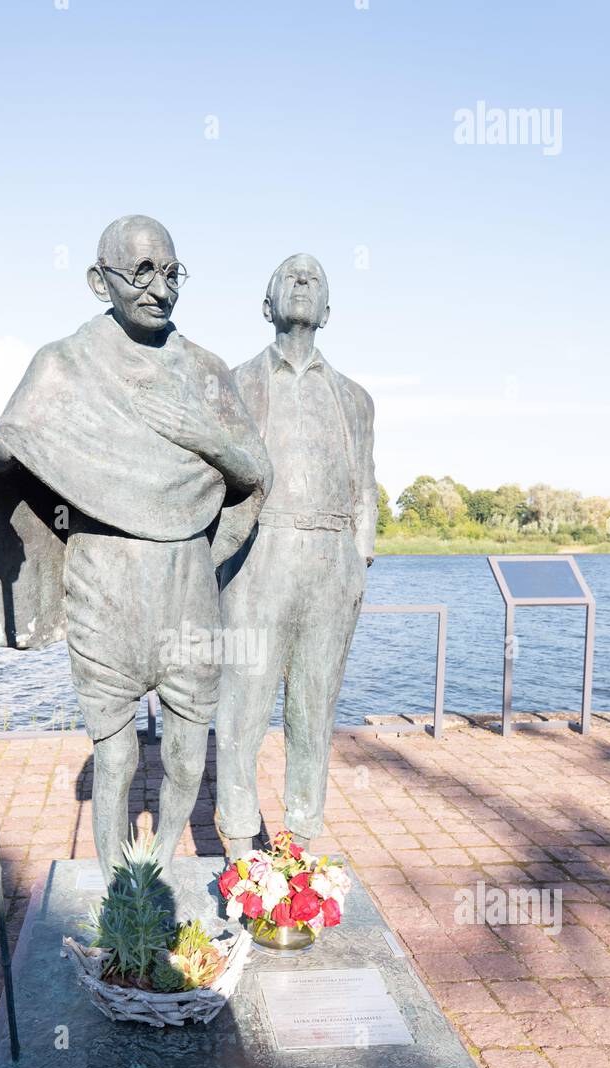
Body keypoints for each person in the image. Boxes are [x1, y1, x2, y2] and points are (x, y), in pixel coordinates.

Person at [0, 215, 270, 881]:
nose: (160, 289)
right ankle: (119, 891)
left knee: (184, 752)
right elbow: (17, 443)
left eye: (172, 273)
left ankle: (165, 868)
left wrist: (202, 435)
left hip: (185, 581)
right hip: (104, 578)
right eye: (141, 272)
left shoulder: (204, 371)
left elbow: (255, 472)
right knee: (115, 758)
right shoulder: (64, 364)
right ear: (100, 280)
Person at [216, 253, 377, 859]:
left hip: (332, 567)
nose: (303, 281)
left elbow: (365, 485)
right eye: (290, 275)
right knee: (242, 712)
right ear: (267, 306)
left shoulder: (356, 400)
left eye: (315, 278)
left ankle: (300, 848)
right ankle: (237, 843)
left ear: (328, 310)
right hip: (258, 561)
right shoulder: (233, 384)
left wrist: (357, 565)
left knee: (313, 716)